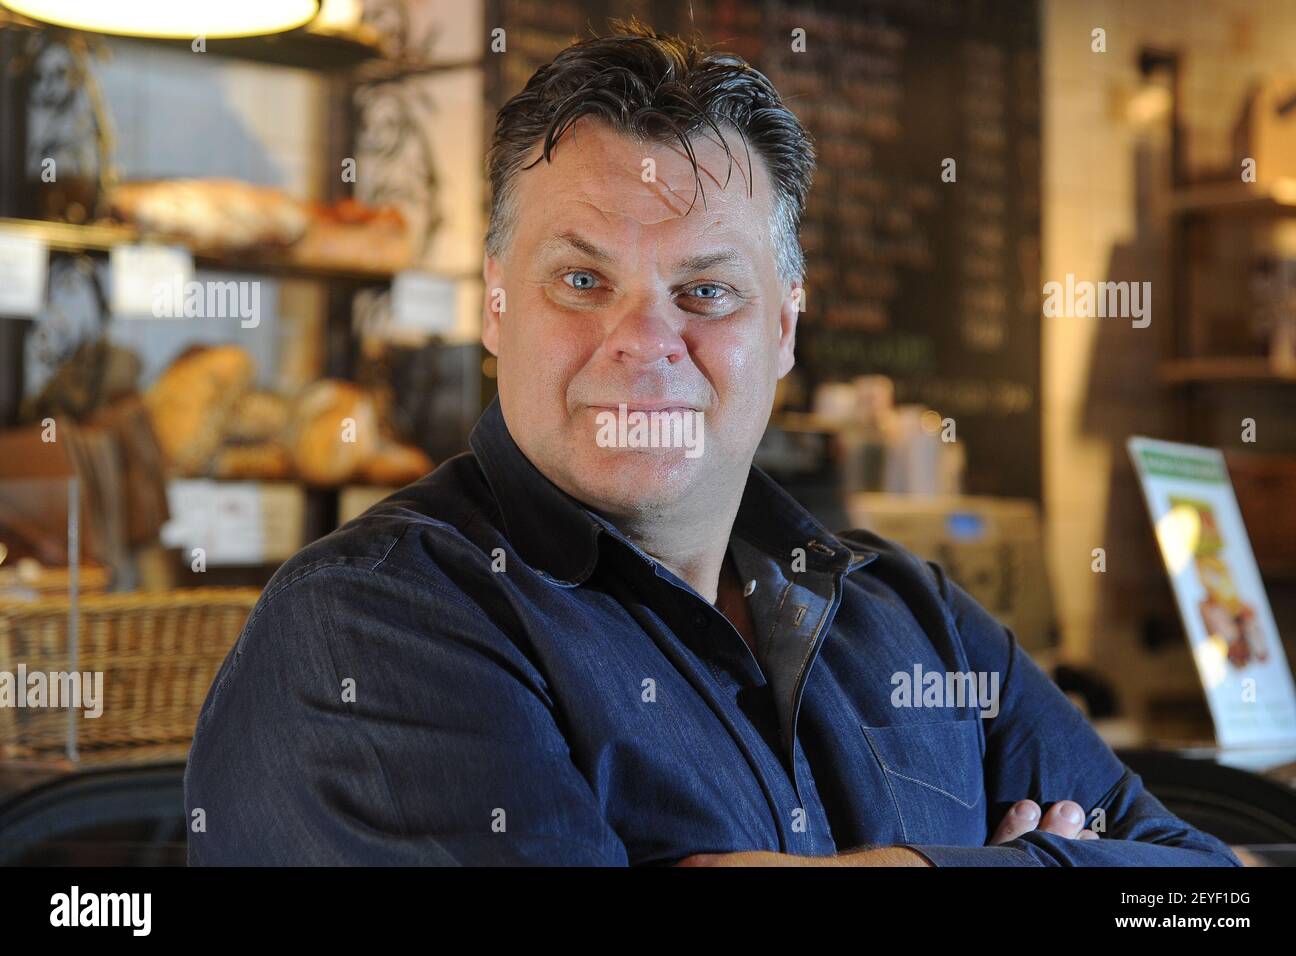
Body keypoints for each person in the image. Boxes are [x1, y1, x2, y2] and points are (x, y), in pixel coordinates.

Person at [185, 20, 1240, 867]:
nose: (643, 342)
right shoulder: (372, 624)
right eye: (582, 280)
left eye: (705, 291)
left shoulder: (920, 620)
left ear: (783, 325)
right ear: (497, 307)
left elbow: (1202, 890)